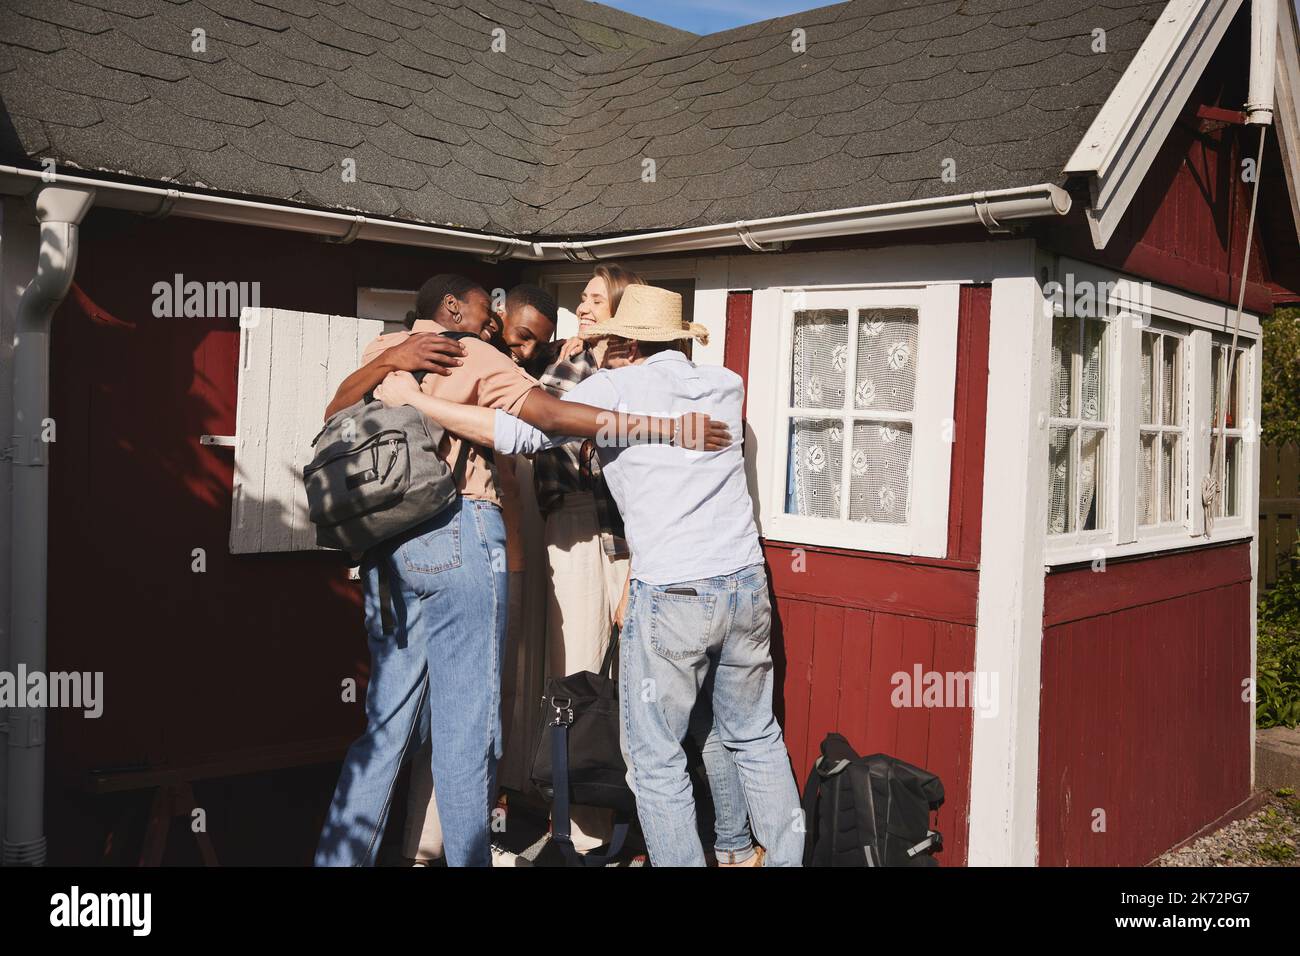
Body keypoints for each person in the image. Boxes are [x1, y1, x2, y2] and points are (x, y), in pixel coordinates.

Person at [379, 284, 803, 867]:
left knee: (655, 762)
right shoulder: (727, 384)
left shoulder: (612, 386)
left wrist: (416, 400)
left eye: (605, 341)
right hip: (745, 582)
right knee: (756, 737)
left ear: (626, 343)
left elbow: (515, 434)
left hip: (673, 591)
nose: (595, 348)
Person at [400, 283, 559, 865]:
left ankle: (427, 841)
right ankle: (446, 843)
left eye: (537, 347)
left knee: (442, 704)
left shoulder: (404, 352)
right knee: (476, 706)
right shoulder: (479, 366)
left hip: (445, 550)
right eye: (519, 336)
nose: (525, 353)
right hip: (476, 546)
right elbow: (523, 443)